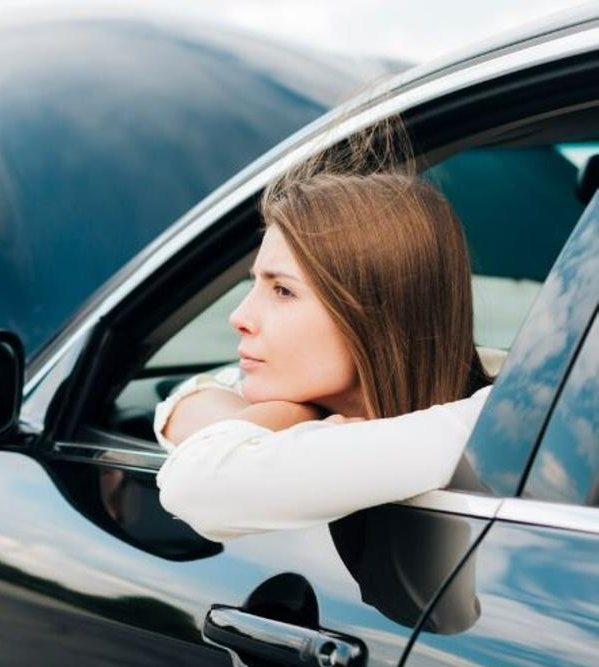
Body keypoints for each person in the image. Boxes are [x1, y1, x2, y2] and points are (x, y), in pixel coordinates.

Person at [155, 158, 494, 542]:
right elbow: (185, 401)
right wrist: (292, 414)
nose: (239, 316)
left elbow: (195, 484)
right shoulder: (315, 395)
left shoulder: (487, 420)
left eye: (282, 290)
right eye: (255, 285)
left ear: (378, 314)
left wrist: (276, 426)